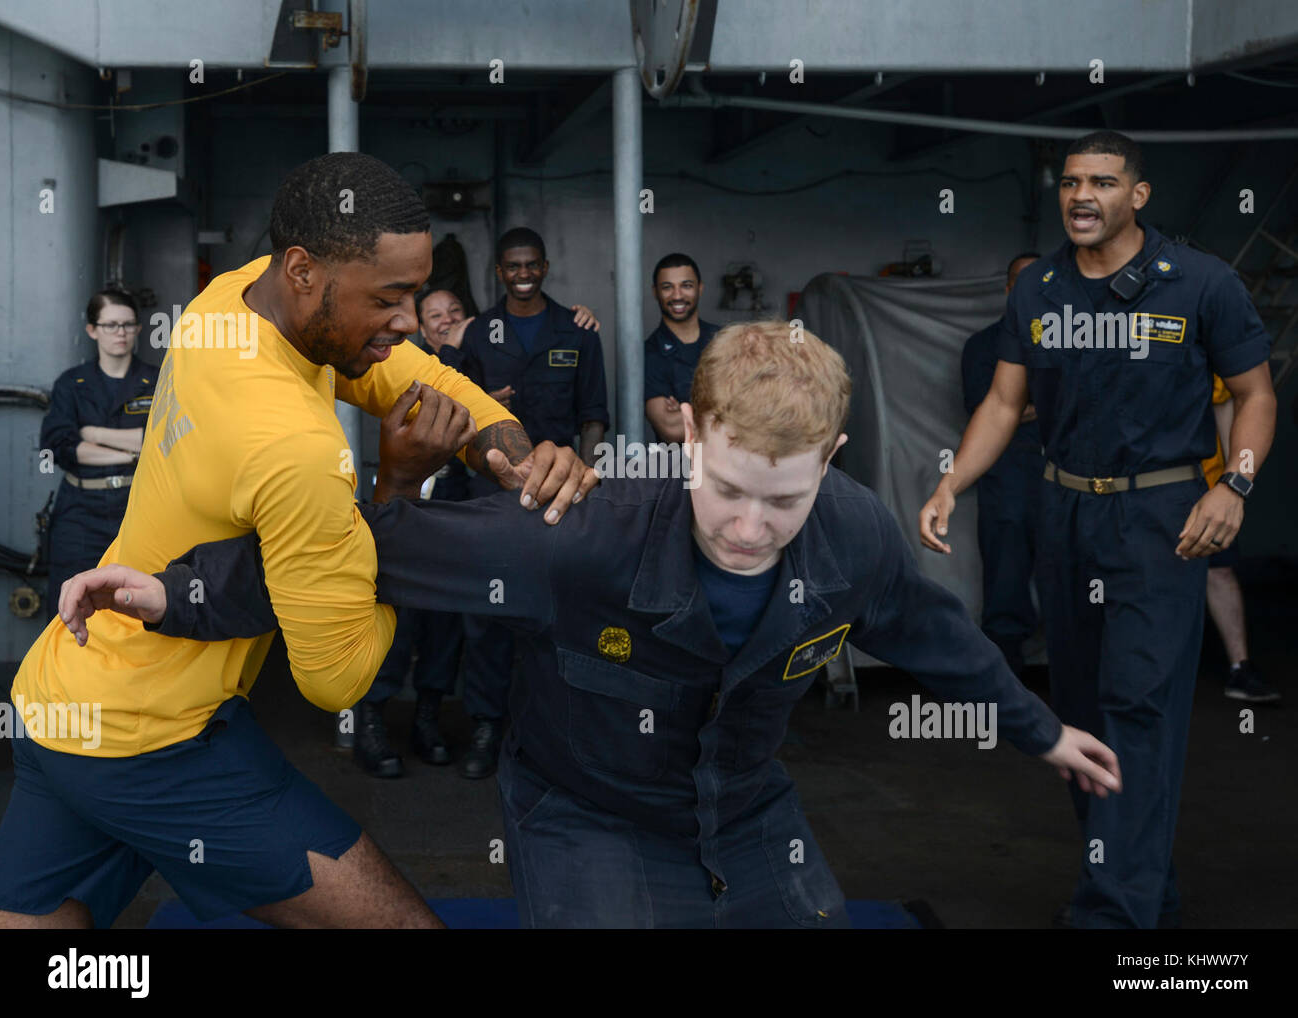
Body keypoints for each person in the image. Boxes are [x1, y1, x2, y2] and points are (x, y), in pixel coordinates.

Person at [69, 320, 1123, 930]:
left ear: (834, 455)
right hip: (588, 813)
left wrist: (1037, 729)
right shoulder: (577, 534)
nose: (753, 528)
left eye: (785, 499)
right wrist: (182, 593)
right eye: (730, 490)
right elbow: (357, 551)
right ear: (690, 432)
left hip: (747, 813)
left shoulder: (853, 534)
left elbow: (931, 632)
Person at [0, 152, 597, 930]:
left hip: (59, 698)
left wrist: (520, 461)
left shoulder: (230, 301)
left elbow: (418, 379)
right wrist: (398, 488)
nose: (410, 320)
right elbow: (338, 679)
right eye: (389, 298)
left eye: (414, 293)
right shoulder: (295, 447)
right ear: (305, 271)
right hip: (158, 740)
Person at [919, 131, 1276, 929]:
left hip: (1162, 520)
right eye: (1072, 182)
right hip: (1066, 514)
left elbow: (1255, 396)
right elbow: (1005, 404)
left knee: (1138, 706)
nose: (1083, 195)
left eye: (1104, 182)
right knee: (1077, 719)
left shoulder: (1201, 283)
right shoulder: (1039, 289)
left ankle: (1113, 915)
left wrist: (1237, 486)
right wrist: (952, 481)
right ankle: (1144, 889)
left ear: (1137, 196)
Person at [450, 227, 610, 780]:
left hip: (559, 493)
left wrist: (587, 477)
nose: (523, 273)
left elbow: (593, 414)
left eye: (532, 265)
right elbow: (455, 416)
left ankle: (554, 732)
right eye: (513, 266)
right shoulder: (479, 334)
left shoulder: (578, 331)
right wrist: (480, 407)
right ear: (499, 272)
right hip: (490, 494)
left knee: (558, 614)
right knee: (486, 617)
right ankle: (487, 727)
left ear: (544, 266)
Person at [352, 287, 472, 777]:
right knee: (393, 617)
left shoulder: (476, 364)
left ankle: (427, 716)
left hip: (456, 511)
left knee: (444, 622)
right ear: (420, 326)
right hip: (403, 509)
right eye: (435, 315)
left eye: (456, 312)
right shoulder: (397, 364)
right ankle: (372, 721)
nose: (445, 322)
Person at [40, 289, 156, 618]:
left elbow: (165, 442)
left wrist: (94, 435)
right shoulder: (70, 384)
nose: (120, 332)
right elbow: (57, 449)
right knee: (68, 609)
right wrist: (134, 450)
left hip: (138, 508)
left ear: (137, 329)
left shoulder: (159, 381)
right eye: (110, 325)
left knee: (135, 609)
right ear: (92, 330)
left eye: (127, 324)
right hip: (80, 514)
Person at [960, 252, 1043, 676]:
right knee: (1006, 578)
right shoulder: (983, 346)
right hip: (1007, 481)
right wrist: (1045, 402)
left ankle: (1073, 673)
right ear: (1008, 289)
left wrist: (1023, 405)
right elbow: (987, 409)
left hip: (1065, 483)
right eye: (1021, 282)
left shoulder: (1076, 340)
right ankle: (1006, 678)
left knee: (1075, 580)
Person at [1199, 375, 1280, 703]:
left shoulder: (1201, 347)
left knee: (1219, 571)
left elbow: (1228, 407)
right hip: (1140, 494)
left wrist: (1233, 487)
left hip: (1203, 486)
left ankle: (1240, 668)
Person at [644, 253, 719, 443]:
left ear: (700, 288)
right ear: (655, 292)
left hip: (731, 463)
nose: (677, 296)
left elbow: (758, 406)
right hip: (679, 467)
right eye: (667, 287)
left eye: (686, 286)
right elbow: (672, 428)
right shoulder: (648, 354)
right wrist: (731, 404)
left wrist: (688, 411)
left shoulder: (724, 340)